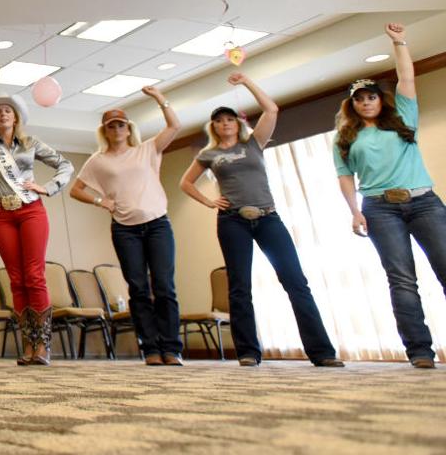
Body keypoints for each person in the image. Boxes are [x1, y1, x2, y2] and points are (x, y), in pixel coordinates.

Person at [178, 75, 343, 367]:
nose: (225, 123)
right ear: (214, 126)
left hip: (268, 217)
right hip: (232, 221)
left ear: (237, 123)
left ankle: (322, 353)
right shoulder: (209, 153)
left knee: (295, 281)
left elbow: (271, 109)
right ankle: (248, 352)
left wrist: (246, 82)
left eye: (230, 119)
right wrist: (209, 201)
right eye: (219, 121)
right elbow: (185, 183)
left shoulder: (254, 142)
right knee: (239, 287)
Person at [335, 23, 445, 368]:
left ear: (380, 100)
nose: (366, 102)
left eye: (371, 97)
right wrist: (355, 212)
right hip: (380, 209)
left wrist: (399, 43)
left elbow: (406, 78)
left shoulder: (404, 118)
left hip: (424, 202)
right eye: (359, 99)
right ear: (352, 105)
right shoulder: (345, 137)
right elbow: (345, 177)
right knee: (402, 280)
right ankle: (420, 351)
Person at [69, 87, 183, 365]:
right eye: (111, 126)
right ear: (105, 132)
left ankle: (171, 349)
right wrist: (101, 201)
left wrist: (159, 98)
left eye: (121, 125)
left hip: (158, 225)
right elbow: (76, 190)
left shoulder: (147, 150)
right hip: (125, 229)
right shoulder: (98, 161)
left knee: (164, 286)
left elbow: (174, 126)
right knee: (138, 288)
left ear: (129, 128)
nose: (117, 129)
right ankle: (151, 348)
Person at [0, 95, 74, 365]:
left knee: (34, 276)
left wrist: (48, 187)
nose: (2, 115)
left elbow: (66, 165)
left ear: (16, 117)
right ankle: (28, 344)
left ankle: (42, 345)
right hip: (1, 213)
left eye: (7, 111)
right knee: (16, 279)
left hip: (31, 210)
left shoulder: (31, 143)